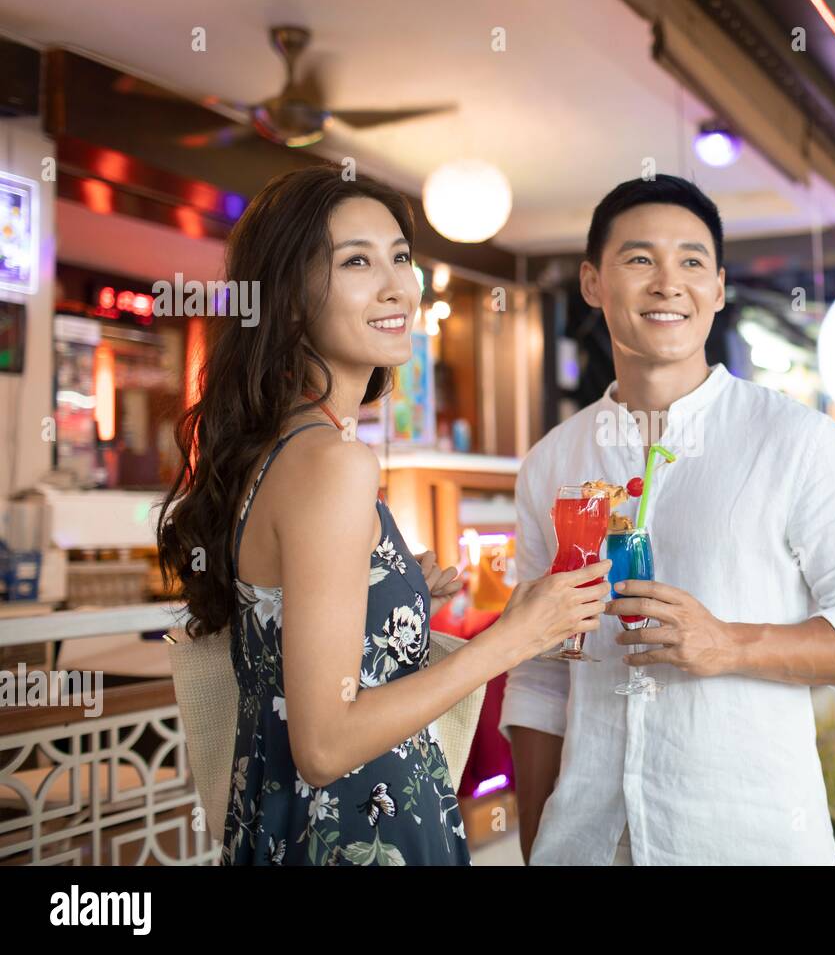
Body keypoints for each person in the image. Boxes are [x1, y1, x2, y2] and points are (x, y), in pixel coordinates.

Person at [156, 165, 610, 865]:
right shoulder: (334, 462)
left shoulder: (275, 448)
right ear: (290, 297)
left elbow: (281, 628)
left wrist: (390, 596)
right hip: (360, 837)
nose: (399, 285)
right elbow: (325, 744)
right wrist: (515, 637)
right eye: (357, 262)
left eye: (401, 257)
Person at [500, 174, 835, 865]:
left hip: (744, 838)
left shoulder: (796, 440)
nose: (669, 283)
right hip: (586, 842)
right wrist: (538, 844)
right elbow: (542, 671)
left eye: (692, 261)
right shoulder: (552, 462)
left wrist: (732, 643)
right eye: (640, 260)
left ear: (719, 289)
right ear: (592, 282)